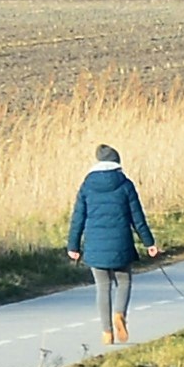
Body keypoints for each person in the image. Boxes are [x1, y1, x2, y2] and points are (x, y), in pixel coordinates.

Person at [67, 144, 154, 345]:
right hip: (121, 243)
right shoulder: (126, 185)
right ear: (117, 162)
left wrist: (73, 246)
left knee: (102, 288)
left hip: (95, 246)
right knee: (124, 282)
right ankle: (119, 314)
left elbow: (78, 218)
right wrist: (149, 243)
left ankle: (107, 332)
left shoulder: (87, 186)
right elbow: (137, 217)